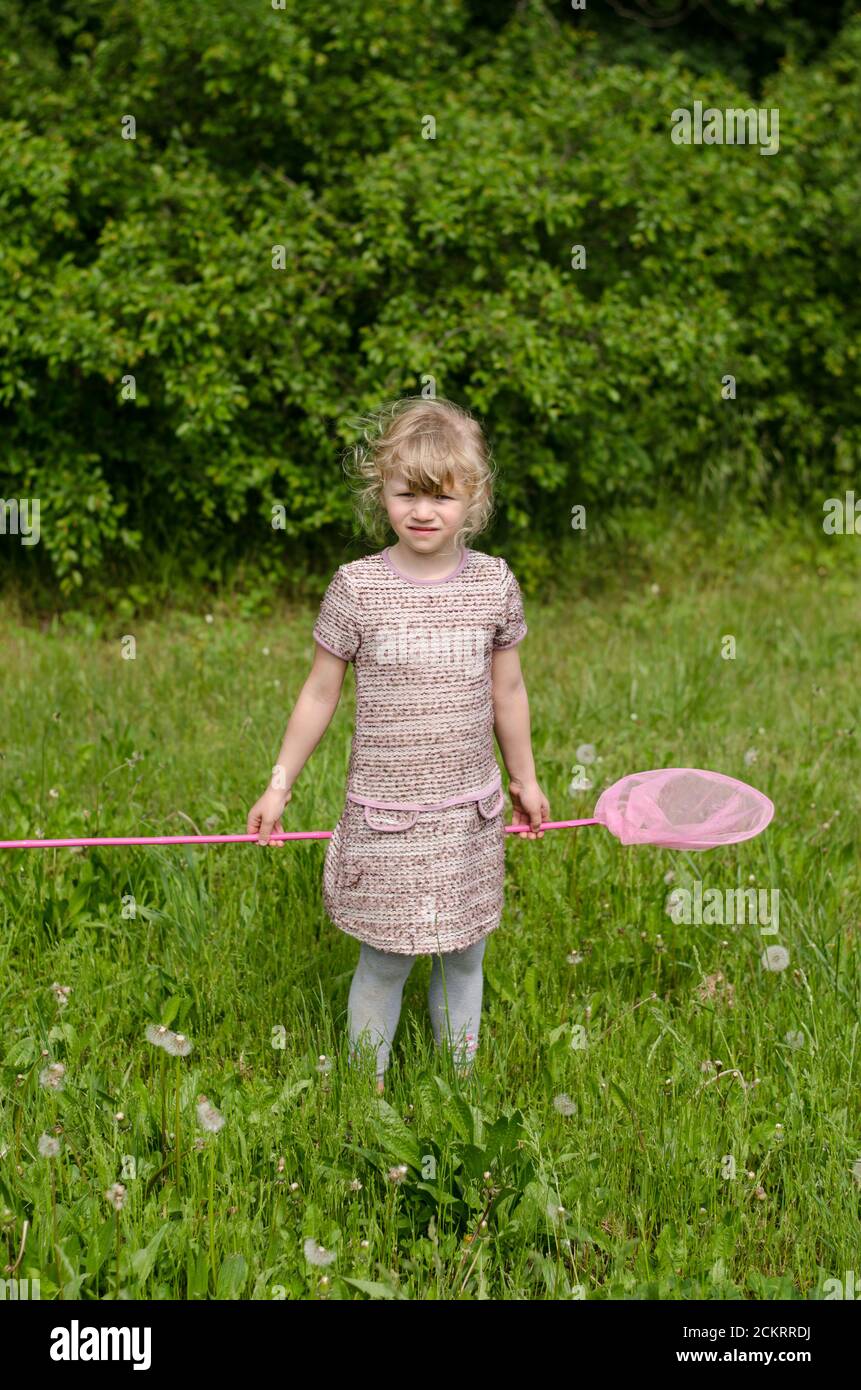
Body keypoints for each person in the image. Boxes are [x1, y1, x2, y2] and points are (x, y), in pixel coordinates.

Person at [246, 396, 550, 1091]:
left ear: (473, 500)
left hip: (467, 813)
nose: (423, 511)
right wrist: (278, 785)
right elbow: (318, 694)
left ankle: (457, 1085)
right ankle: (366, 1089)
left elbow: (508, 692)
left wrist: (525, 779)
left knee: (465, 955)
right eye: (406, 492)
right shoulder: (357, 589)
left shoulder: (493, 584)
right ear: (380, 490)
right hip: (388, 816)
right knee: (385, 959)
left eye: (442, 496)